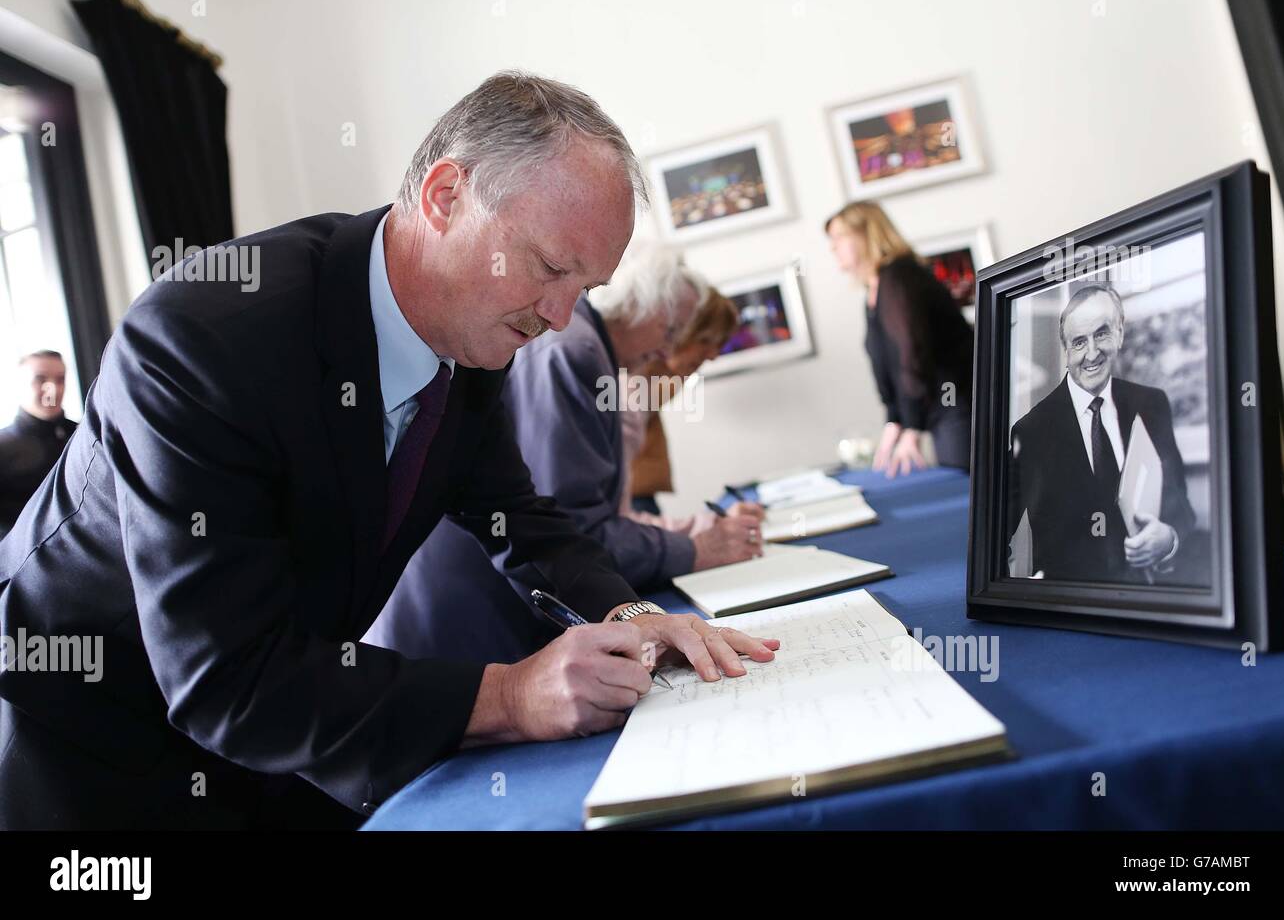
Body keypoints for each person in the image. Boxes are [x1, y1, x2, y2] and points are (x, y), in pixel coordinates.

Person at [0, 71, 778, 830]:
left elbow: (517, 518)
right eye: (549, 267)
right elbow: (224, 680)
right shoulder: (201, 341)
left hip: (289, 729)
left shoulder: (474, 334)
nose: (559, 315)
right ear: (446, 197)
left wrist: (634, 611)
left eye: (587, 287)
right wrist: (509, 696)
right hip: (87, 744)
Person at [365, 243, 764, 664]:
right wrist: (695, 549)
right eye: (669, 333)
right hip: (470, 615)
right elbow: (577, 522)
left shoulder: (589, 348)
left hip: (491, 594)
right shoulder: (575, 349)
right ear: (641, 306)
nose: (668, 354)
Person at [1007, 285, 1195, 583]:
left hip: (1153, 594)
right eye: (1079, 342)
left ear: (1119, 334)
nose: (1092, 353)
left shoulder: (1152, 404)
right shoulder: (1031, 431)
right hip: (1074, 605)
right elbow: (1000, 534)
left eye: (1102, 334)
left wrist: (1169, 539)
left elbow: (1180, 506)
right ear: (1066, 350)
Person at [826, 201, 975, 474]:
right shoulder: (876, 289)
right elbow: (887, 363)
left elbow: (912, 353)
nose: (832, 247)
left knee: (967, 484)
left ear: (865, 234)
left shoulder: (899, 278)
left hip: (955, 398)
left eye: (838, 237)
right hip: (939, 403)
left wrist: (913, 426)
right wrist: (895, 420)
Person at [622, 286, 740, 516]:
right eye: (707, 341)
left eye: (719, 345)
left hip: (640, 489)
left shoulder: (666, 371)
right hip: (628, 493)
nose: (713, 356)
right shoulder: (633, 365)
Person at [0, 351, 78, 538]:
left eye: (60, 380)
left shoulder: (84, 435)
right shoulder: (3, 448)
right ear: (17, 385)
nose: (53, 389)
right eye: (40, 379)